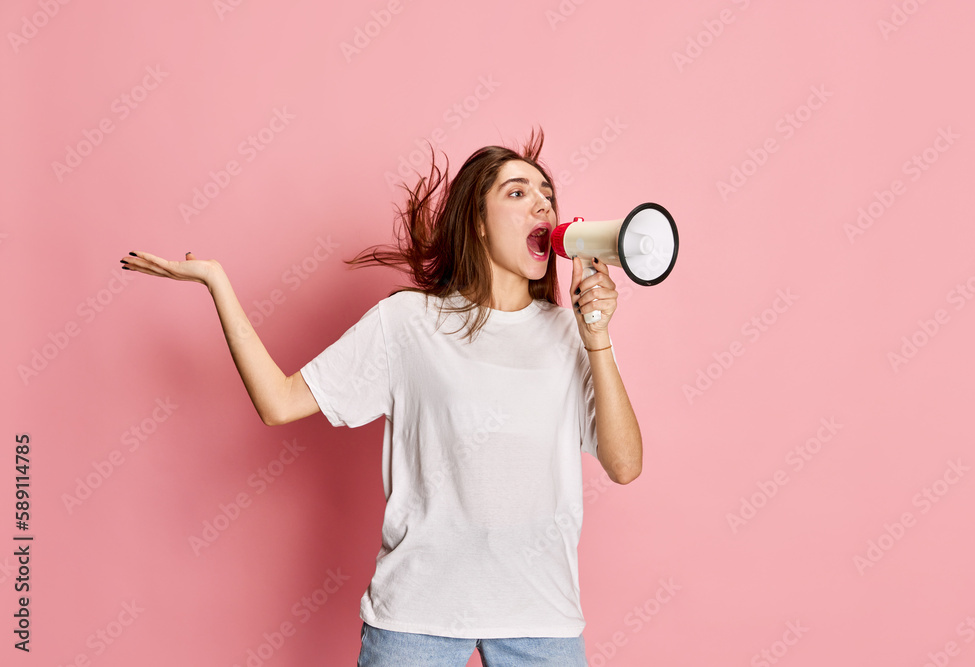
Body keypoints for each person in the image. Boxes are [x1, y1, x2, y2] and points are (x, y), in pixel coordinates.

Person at [119, 129, 642, 666]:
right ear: (477, 224)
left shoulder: (571, 332)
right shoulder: (408, 324)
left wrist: (596, 334)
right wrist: (217, 283)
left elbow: (624, 465)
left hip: (542, 617)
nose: (542, 203)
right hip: (417, 616)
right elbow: (278, 402)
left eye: (547, 194)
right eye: (516, 192)